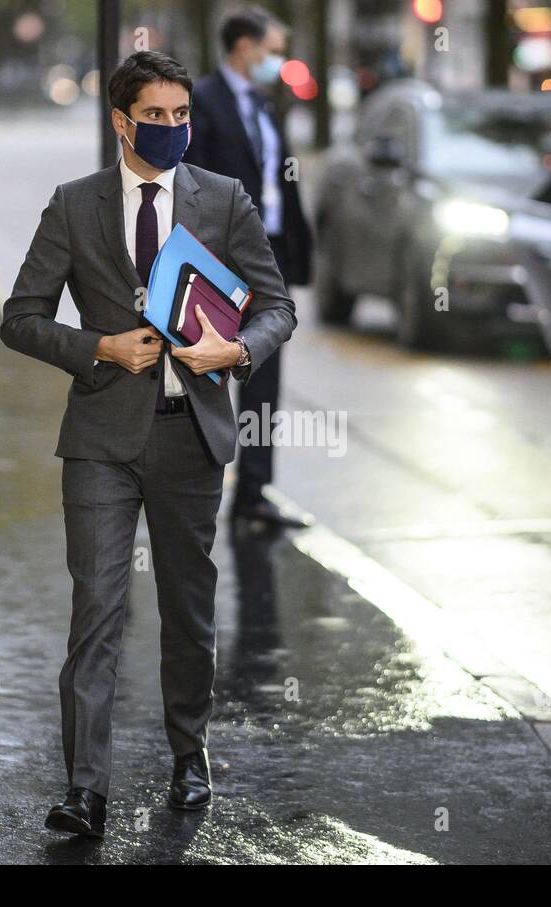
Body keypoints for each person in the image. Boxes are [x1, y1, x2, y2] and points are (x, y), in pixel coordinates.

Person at [0, 51, 296, 835]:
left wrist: (236, 353)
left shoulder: (223, 199)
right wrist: (99, 348)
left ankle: (188, 756)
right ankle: (86, 790)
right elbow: (20, 317)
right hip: (99, 438)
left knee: (190, 609)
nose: (170, 129)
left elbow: (276, 308)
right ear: (120, 121)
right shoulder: (73, 205)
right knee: (97, 609)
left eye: (179, 115)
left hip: (189, 438)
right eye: (154, 116)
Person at [183, 7, 314, 530]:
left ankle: (254, 494)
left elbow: (281, 183)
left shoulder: (265, 104)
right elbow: (193, 183)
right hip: (221, 260)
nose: (278, 60)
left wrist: (297, 253)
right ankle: (200, 496)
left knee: (263, 374)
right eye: (273, 49)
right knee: (210, 371)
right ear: (244, 46)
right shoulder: (205, 102)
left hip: (271, 257)